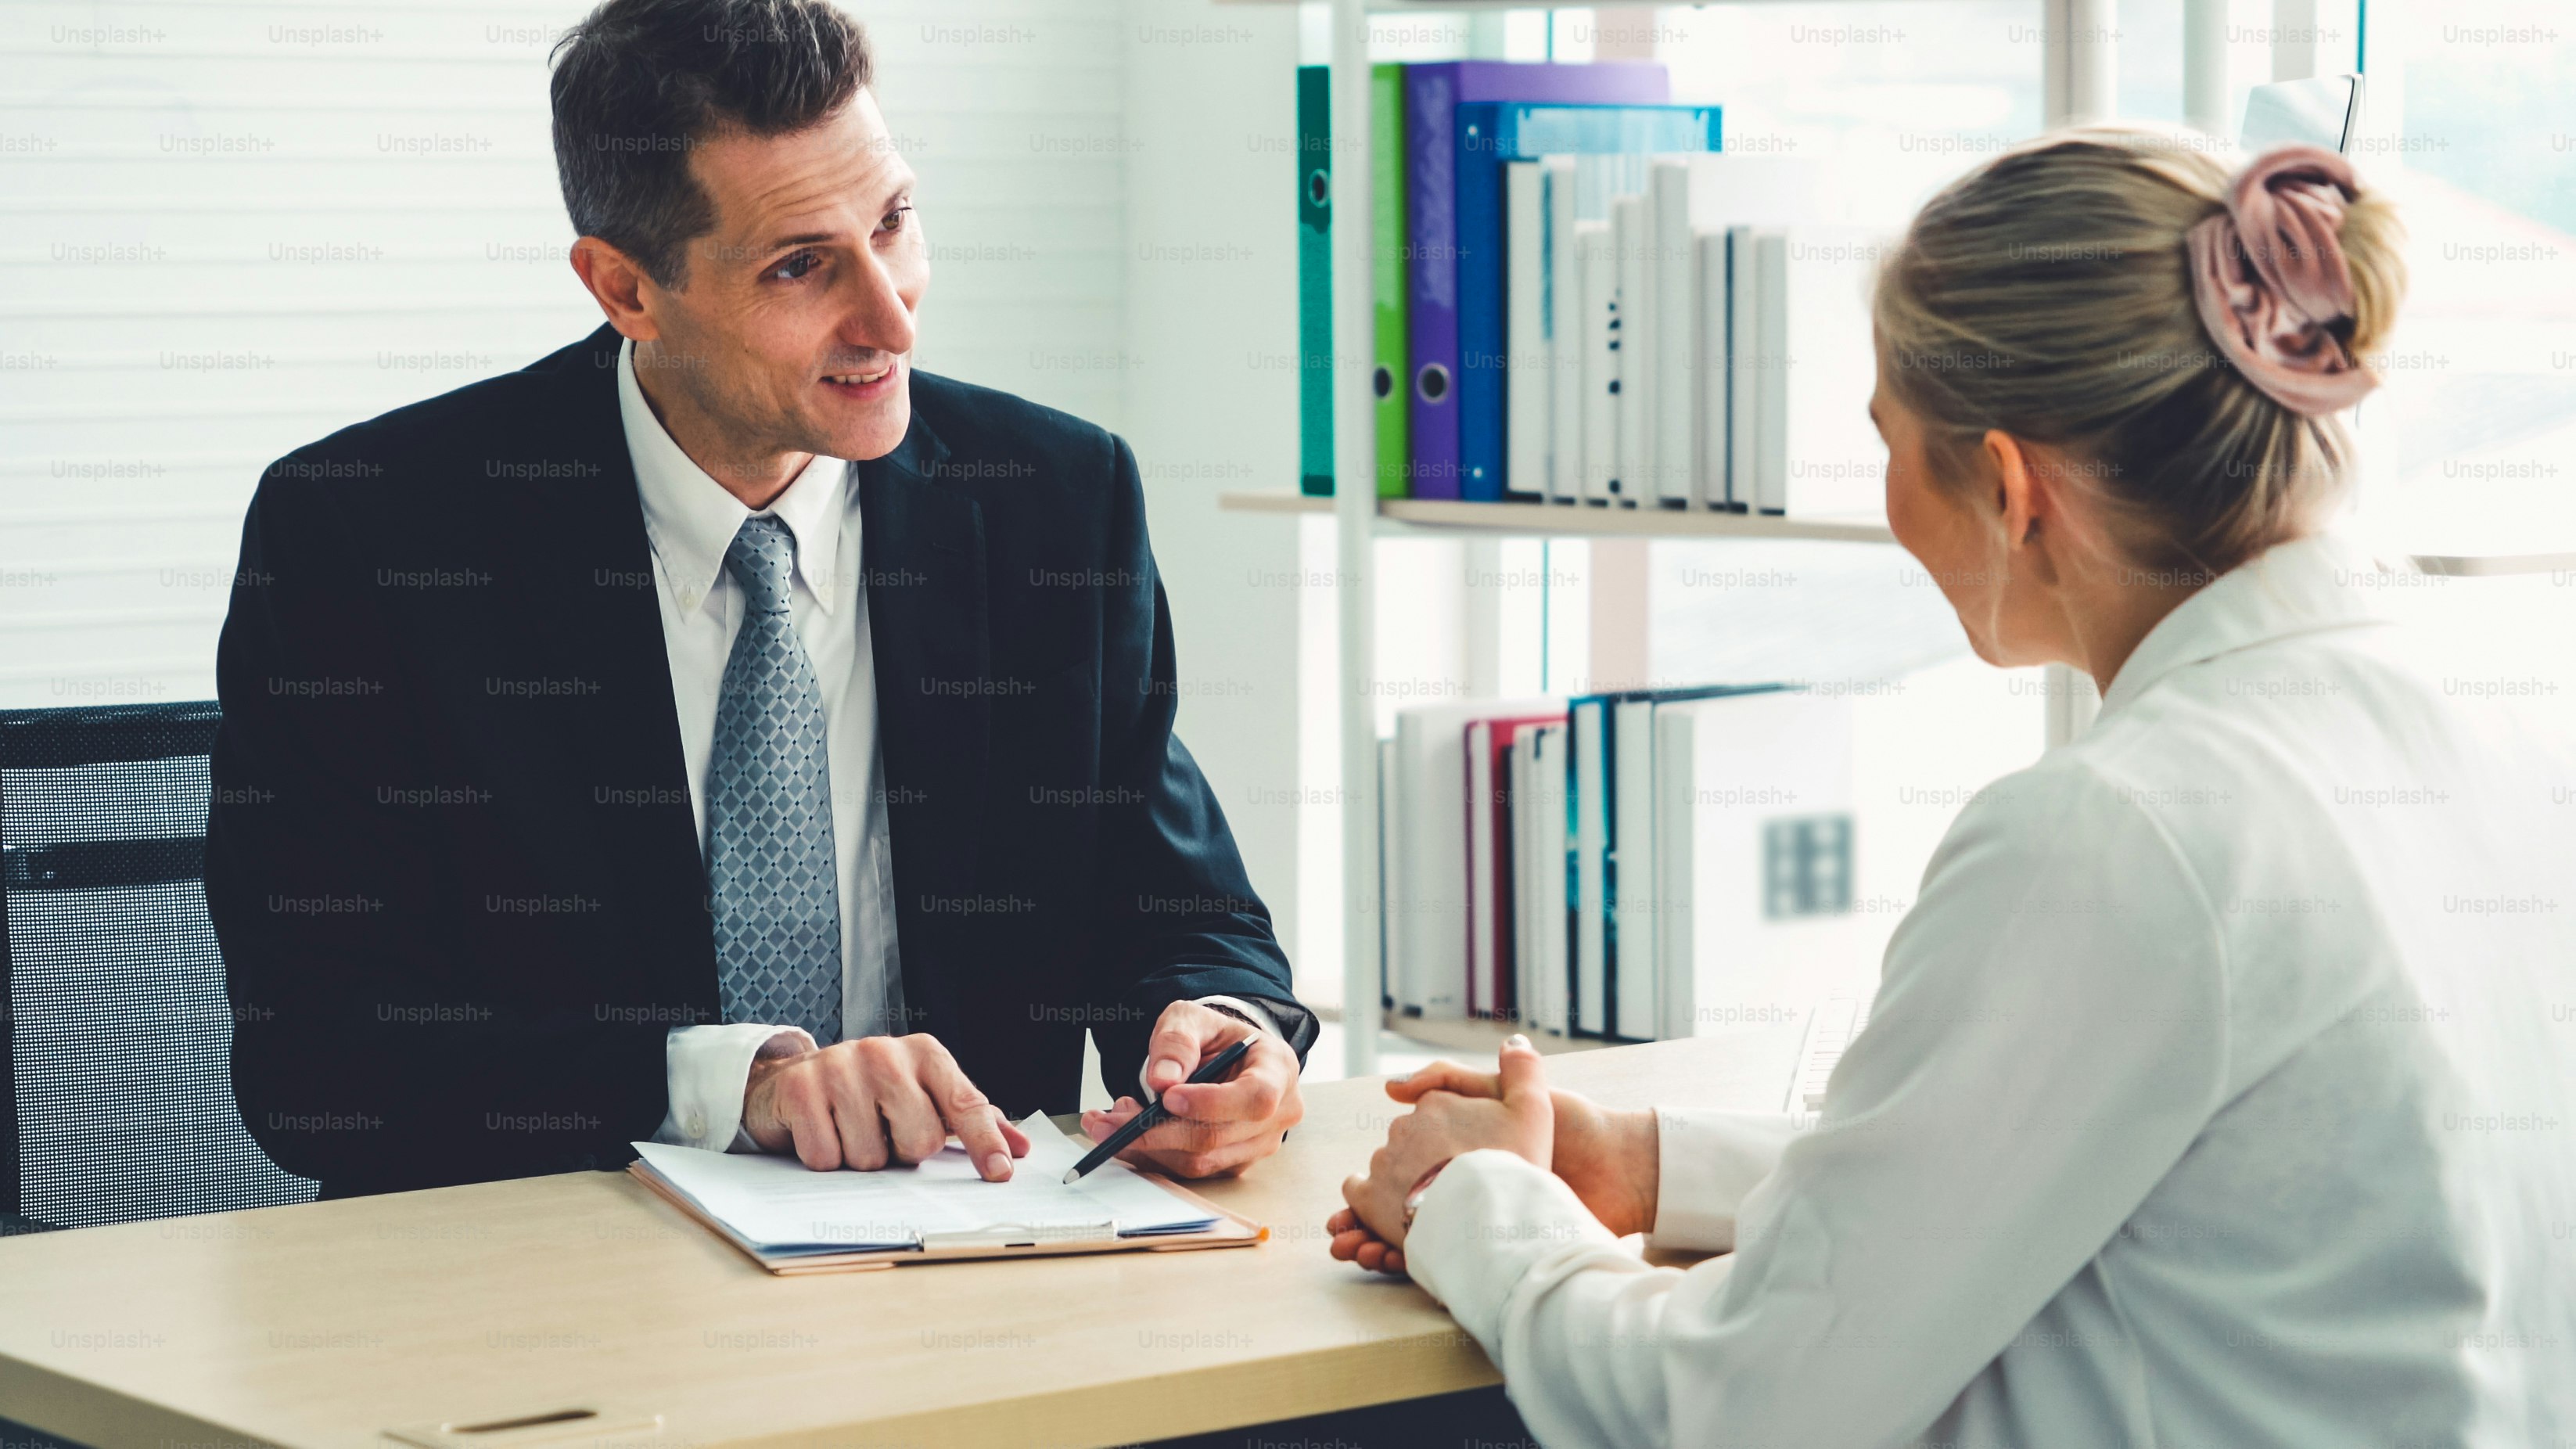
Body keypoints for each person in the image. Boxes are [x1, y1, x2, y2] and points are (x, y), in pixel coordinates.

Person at [1328, 131, 2576, 1447]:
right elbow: (2140, 1178)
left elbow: (1733, 1413)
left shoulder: (2118, 831)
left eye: (1888, 442)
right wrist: (1646, 1166)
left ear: (2006, 482)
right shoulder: (2499, 740)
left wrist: (1479, 1206)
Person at [206, 0, 1310, 1201]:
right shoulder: (369, 535)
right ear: (625, 289)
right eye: (800, 265)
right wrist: (737, 1087)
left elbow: (1179, 907)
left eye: (892, 222)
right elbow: (320, 1065)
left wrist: (1221, 1027)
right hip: (550, 1280)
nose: (891, 316)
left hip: (970, 1267)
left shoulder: (1052, 500)